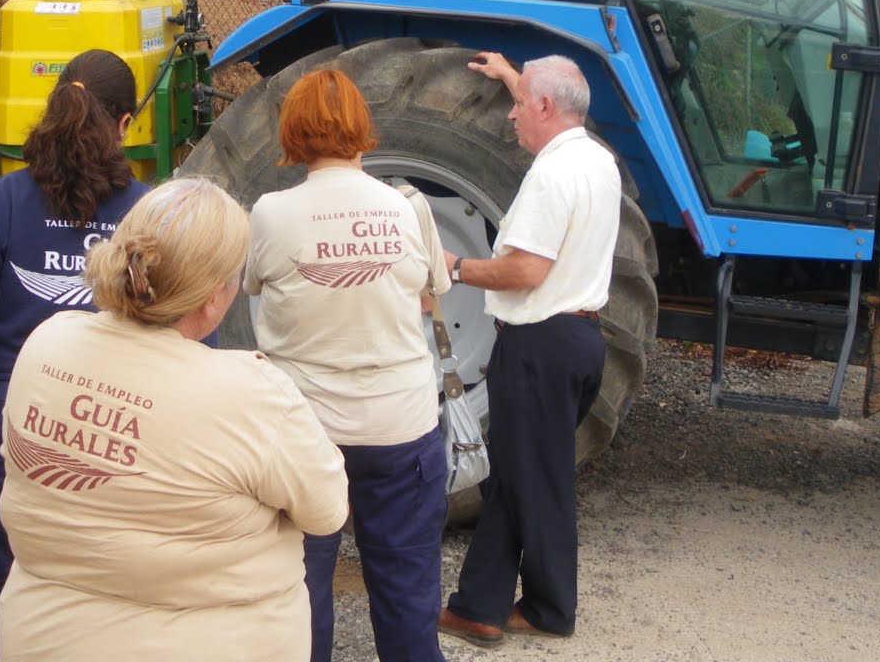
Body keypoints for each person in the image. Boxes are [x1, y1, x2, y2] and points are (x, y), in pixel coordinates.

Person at [0, 178, 349, 662]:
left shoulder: (47, 343)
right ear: (213, 298)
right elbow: (327, 510)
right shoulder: (251, 393)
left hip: (41, 638)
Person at [0, 50, 149, 662]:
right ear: (125, 124)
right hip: (116, 430)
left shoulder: (1, 203)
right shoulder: (149, 216)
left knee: (0, 602)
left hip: (8, 423)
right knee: (101, 609)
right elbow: (185, 339)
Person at [246, 69, 451, 662]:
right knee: (406, 586)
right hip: (400, 423)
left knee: (301, 589)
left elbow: (254, 285)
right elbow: (430, 296)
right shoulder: (409, 206)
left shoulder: (271, 212)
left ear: (293, 130)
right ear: (362, 126)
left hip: (305, 429)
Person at [436, 53, 619, 647]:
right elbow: (553, 108)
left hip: (538, 344)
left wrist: (455, 267)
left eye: (519, 105)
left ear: (545, 106)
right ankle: (511, 606)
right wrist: (515, 78)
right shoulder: (597, 159)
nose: (511, 115)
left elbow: (524, 270)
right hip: (579, 343)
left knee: (527, 480)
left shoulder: (550, 176)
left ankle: (520, 609)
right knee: (524, 477)